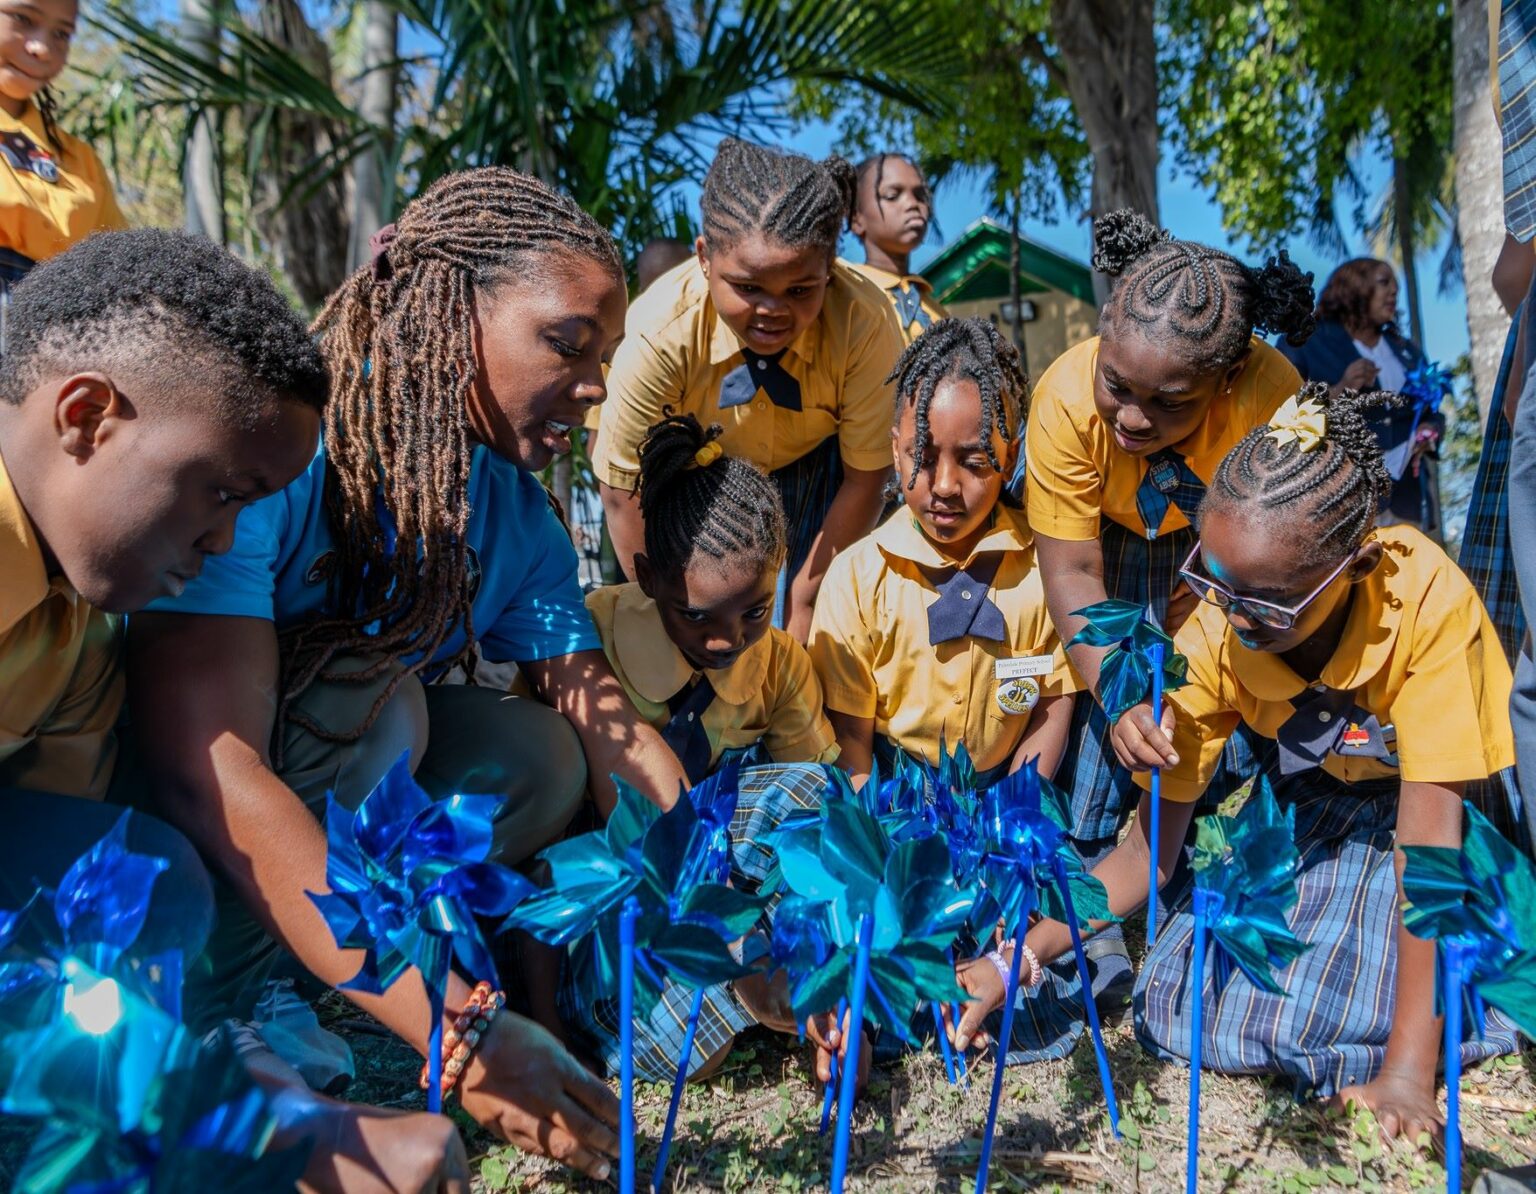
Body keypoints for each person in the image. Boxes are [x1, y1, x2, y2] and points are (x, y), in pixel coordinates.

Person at [127, 168, 694, 1184]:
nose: (600, 385)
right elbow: (201, 766)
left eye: (606, 356)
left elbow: (608, 727)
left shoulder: (517, 518)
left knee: (539, 753)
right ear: (449, 312)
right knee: (382, 702)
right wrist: (458, 1034)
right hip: (168, 832)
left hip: (330, 817)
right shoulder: (286, 453)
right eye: (567, 343)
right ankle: (232, 1000)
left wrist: (723, 918)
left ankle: (328, 967)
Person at [0, 228, 472, 1192]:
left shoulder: (87, 634)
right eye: (220, 493)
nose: (222, 541)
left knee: (139, 873)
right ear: (87, 416)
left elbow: (68, 902)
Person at [957, 385, 1517, 1141]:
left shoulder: (1422, 605)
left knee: (1320, 1004)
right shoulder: (1221, 629)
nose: (1234, 613)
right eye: (1212, 581)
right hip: (1309, 811)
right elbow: (1145, 858)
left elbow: (1427, 865)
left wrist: (1408, 1077)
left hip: (1429, 826)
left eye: (1269, 602)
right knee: (1174, 998)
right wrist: (1016, 957)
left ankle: (1430, 1022)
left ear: (1355, 566)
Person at [1027, 209, 1314, 1005]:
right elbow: (1074, 573)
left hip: (1236, 557)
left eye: (1170, 402)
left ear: (1227, 381)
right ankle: (1087, 917)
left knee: (1205, 725)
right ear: (1102, 334)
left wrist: (1208, 626)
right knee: (1113, 731)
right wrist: (1118, 692)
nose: (1131, 417)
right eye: (1116, 385)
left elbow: (1277, 552)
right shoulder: (1063, 403)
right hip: (1108, 547)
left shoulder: (1271, 395)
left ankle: (1200, 886)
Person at [808, 317, 1080, 1074]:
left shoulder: (1040, 574)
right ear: (893, 449)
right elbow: (852, 748)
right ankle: (873, 1013)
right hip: (896, 801)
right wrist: (882, 844)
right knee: (889, 936)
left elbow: (1054, 704)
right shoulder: (858, 578)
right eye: (922, 459)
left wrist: (1022, 806)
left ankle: (984, 992)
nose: (946, 486)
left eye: (976, 461)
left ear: (1014, 456)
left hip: (1004, 802)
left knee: (1032, 941)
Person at [557, 412, 839, 1085]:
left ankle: (784, 971)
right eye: (696, 615)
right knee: (695, 1057)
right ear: (651, 577)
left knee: (813, 793)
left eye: (753, 611)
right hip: (619, 896)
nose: (726, 639)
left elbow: (815, 810)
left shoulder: (779, 664)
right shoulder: (592, 633)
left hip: (718, 879)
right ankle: (719, 981)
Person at [595, 138, 904, 640]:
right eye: (747, 287)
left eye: (801, 291)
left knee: (806, 631)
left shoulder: (864, 322)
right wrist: (666, 609)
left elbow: (865, 479)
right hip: (693, 474)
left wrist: (805, 600)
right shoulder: (660, 330)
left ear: (829, 270)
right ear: (703, 257)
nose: (772, 311)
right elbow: (620, 491)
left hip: (825, 474)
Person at [1275, 258, 1443, 533]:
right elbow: (1282, 412)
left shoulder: (1407, 351)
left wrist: (1430, 431)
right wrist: (1342, 387)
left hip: (1406, 502)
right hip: (1338, 499)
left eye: (1396, 286)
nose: (1393, 292)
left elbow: (1433, 411)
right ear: (1353, 288)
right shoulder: (1305, 342)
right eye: (1383, 282)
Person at [0, 0, 126, 344]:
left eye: (61, 34)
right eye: (23, 19)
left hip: (55, 341)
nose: (41, 48)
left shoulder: (78, 158)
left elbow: (115, 264)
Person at [847, 152, 946, 344]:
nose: (913, 204)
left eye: (920, 196)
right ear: (856, 219)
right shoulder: (844, 294)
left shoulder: (937, 312)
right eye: (892, 196)